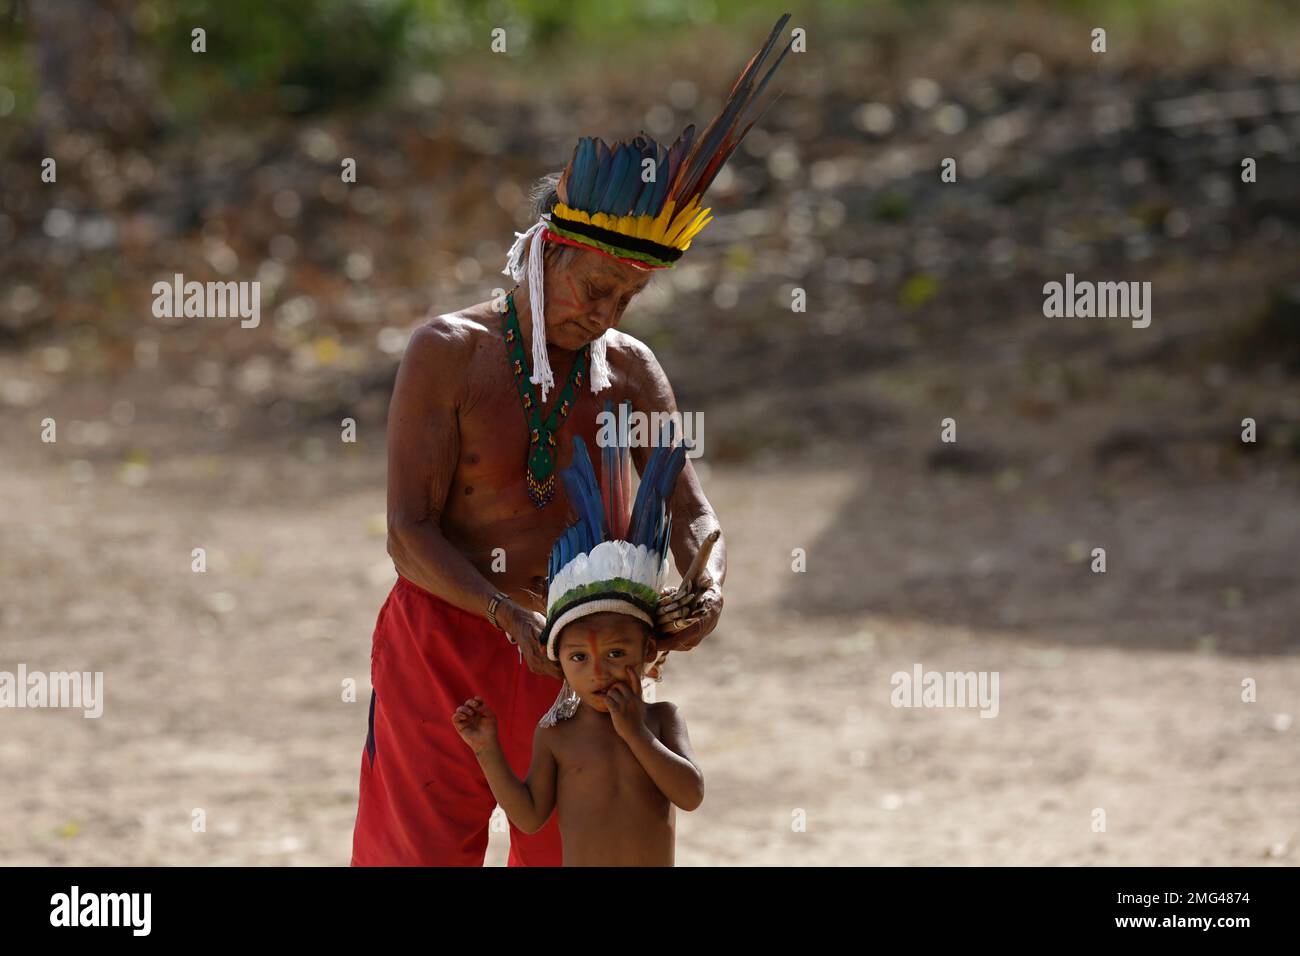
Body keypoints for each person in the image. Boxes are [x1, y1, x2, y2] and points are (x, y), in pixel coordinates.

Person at [350, 14, 793, 866]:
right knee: (415, 853)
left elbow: (694, 513)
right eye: (596, 288)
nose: (605, 314)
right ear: (546, 252)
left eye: (627, 300)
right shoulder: (447, 353)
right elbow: (409, 535)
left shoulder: (628, 370)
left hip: (578, 657)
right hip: (443, 641)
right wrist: (502, 612)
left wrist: (709, 582)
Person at [454, 421, 704, 866]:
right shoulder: (556, 737)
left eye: (616, 653)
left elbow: (690, 795)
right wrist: (487, 749)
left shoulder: (663, 720)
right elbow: (530, 817)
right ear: (559, 663)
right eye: (579, 658)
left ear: (648, 653)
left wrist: (637, 734)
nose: (599, 670)